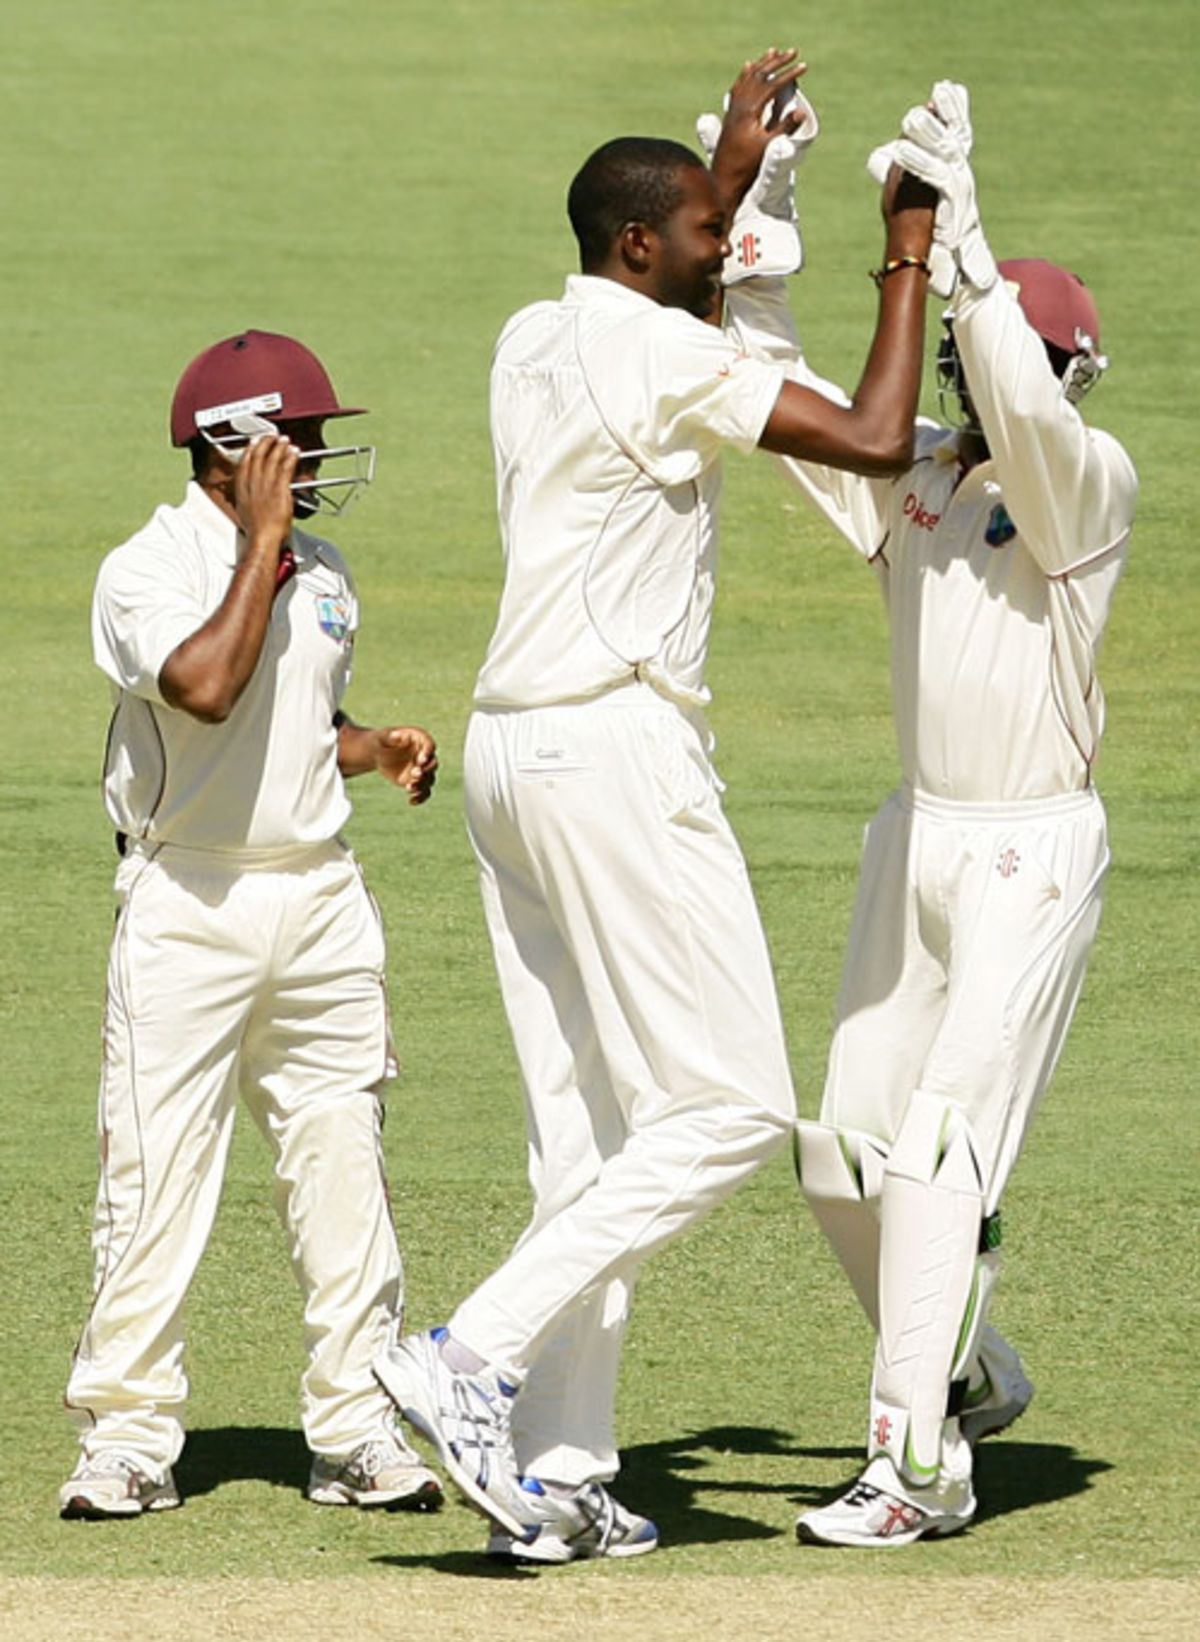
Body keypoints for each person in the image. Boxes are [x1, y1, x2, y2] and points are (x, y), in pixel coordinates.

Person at [373, 50, 949, 1564]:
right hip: (616, 753)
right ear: (642, 245)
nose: (725, 246)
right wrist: (908, 251)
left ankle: (557, 1469)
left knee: (593, 1135)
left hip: (512, 750)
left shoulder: (532, 333)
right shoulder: (670, 358)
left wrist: (745, 169)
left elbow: (685, 319)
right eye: (705, 230)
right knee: (731, 1107)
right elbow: (878, 438)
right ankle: (468, 1352)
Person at [725, 83, 1138, 1544]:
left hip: (1032, 845)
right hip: (917, 835)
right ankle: (960, 1365)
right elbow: (791, 427)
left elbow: (1021, 406)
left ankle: (915, 1467)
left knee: (941, 1149)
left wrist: (964, 255)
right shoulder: (915, 482)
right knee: (841, 1145)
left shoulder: (1087, 488)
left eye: (1008, 368)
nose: (977, 396)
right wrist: (763, 227)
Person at [60, 329, 442, 1520]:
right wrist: (264, 547)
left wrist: (370, 748)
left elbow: (290, 716)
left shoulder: (320, 569)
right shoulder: (147, 569)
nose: (322, 454)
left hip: (320, 900)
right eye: (304, 436)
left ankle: (356, 1427)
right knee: (156, 1176)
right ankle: (126, 1437)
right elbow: (206, 686)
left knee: (342, 1167)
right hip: (189, 903)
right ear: (235, 451)